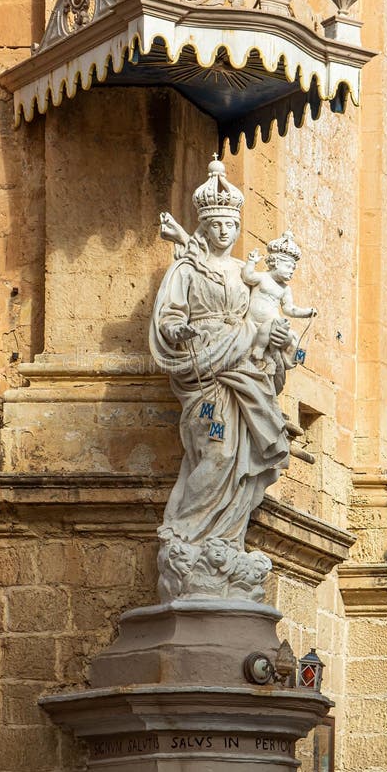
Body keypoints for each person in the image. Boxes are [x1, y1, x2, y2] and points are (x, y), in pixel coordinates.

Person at [150, 157, 293, 587]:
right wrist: (178, 327)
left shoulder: (247, 276)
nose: (225, 232)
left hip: (243, 367)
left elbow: (263, 320)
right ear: (206, 226)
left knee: (239, 457)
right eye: (217, 225)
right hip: (204, 365)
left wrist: (280, 340)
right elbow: (168, 314)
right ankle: (184, 535)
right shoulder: (187, 268)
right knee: (215, 453)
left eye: (232, 224)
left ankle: (224, 541)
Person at [241, 232, 316, 363]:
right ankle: (258, 347)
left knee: (273, 325)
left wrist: (307, 312)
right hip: (252, 321)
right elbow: (247, 276)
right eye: (288, 266)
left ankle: (260, 348)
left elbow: (289, 309)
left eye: (293, 268)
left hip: (272, 321)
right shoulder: (263, 277)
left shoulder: (285, 289)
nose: (291, 271)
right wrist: (251, 262)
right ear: (275, 262)